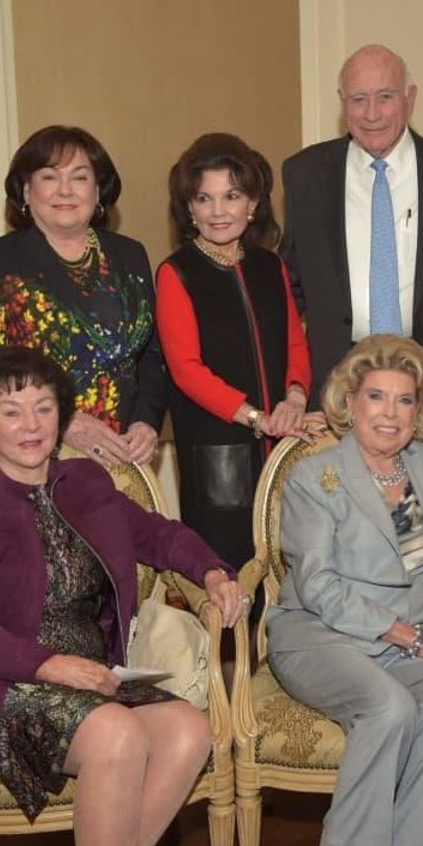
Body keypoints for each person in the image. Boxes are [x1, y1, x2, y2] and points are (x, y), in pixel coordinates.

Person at [0, 345, 248, 846]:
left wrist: (211, 570)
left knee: (189, 730)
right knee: (116, 734)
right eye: (11, 411)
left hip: (95, 679)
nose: (31, 424)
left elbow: (158, 535)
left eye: (44, 408)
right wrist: (50, 665)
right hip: (1, 686)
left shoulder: (87, 483)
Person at [266, 335, 423, 846]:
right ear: (349, 403)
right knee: (388, 708)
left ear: (420, 412)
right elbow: (319, 586)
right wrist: (413, 638)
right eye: (376, 397)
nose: (389, 413)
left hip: (405, 636)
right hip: (321, 634)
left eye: (404, 400)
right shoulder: (314, 477)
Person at [279, 44, 423, 405]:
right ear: (342, 102)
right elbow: (289, 289)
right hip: (334, 386)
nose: (371, 113)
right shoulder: (305, 175)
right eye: (359, 99)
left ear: (410, 99)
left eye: (385, 97)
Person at [0, 125, 166, 469]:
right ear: (26, 190)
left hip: (126, 459)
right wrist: (63, 423)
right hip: (37, 460)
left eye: (80, 177)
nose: (65, 190)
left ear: (98, 189)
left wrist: (147, 422)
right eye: (49, 177)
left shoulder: (130, 255)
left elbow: (153, 355)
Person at [156, 133, 314, 566]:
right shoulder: (177, 273)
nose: (218, 211)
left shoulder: (270, 265)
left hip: (284, 449)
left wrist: (295, 398)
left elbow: (295, 341)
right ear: (189, 208)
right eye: (204, 199)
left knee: (294, 572)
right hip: (218, 458)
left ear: (253, 202)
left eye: (231, 195)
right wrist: (256, 418)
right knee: (230, 582)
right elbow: (185, 369)